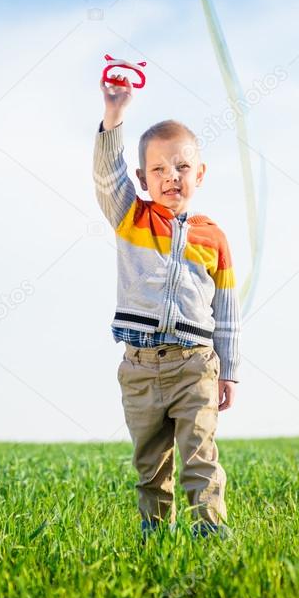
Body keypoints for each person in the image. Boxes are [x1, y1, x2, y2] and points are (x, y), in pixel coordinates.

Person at [94, 73, 241, 541]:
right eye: (158, 170)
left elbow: (228, 312)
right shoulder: (130, 216)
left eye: (181, 167)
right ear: (142, 178)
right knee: (150, 464)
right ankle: (155, 537)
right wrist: (114, 115)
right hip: (139, 367)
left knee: (200, 456)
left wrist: (229, 370)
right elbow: (105, 175)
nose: (170, 177)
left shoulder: (213, 238)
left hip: (195, 364)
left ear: (199, 175)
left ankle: (209, 536)